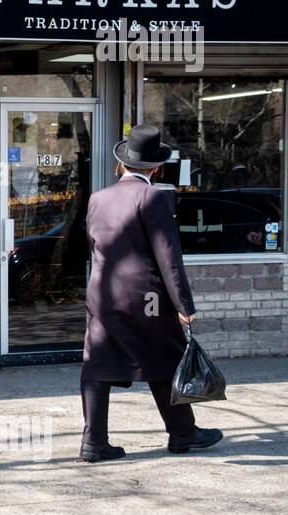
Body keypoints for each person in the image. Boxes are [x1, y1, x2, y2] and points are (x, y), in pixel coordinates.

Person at [78, 124, 224, 462]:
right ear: (155, 168)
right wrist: (183, 304)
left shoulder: (98, 199)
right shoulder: (155, 197)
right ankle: (184, 433)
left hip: (101, 293)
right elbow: (168, 256)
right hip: (146, 297)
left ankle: (94, 442)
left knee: (97, 363)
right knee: (167, 357)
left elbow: (95, 246)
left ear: (123, 163)